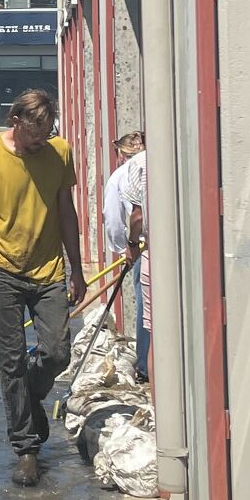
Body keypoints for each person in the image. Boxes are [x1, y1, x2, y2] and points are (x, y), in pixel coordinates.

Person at [0, 87, 86, 486]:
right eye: (35, 133)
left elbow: (66, 211)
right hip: (1, 270)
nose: (40, 141)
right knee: (10, 361)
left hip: (48, 270)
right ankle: (27, 448)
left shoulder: (59, 152)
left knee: (58, 352)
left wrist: (77, 269)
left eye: (47, 132)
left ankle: (30, 395)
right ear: (16, 121)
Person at [102, 132, 146, 372]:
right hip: (150, 242)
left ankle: (143, 365)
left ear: (121, 153)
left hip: (139, 245)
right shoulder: (153, 166)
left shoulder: (120, 176)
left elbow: (113, 218)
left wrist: (122, 249)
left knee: (144, 303)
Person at [118, 141, 150, 382]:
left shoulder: (138, 164)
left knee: (145, 307)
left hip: (147, 246)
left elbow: (137, 215)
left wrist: (130, 246)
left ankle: (144, 367)